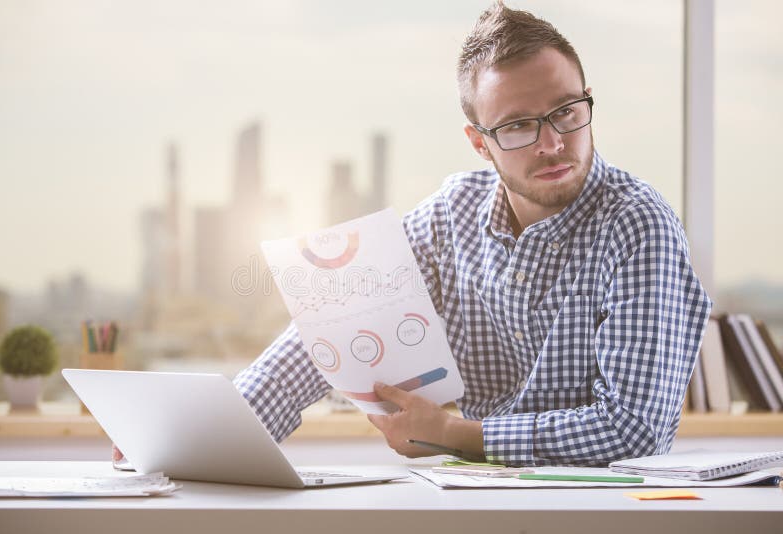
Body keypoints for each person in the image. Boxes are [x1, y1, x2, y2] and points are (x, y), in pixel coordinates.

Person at [116, 2, 711, 468]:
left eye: (566, 111)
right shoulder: (451, 215)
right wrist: (194, 439)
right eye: (518, 127)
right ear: (479, 142)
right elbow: (328, 333)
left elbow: (634, 428)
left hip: (601, 512)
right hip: (473, 499)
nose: (553, 142)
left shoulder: (638, 224)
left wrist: (458, 435)